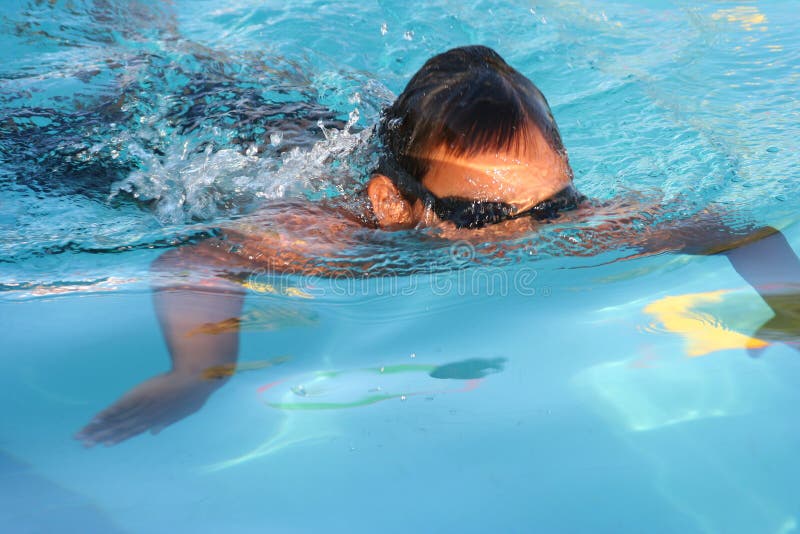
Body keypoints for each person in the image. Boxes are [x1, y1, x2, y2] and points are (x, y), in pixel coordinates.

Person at [76, 45, 800, 446]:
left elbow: (742, 230)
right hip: (198, 130)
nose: (526, 235)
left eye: (557, 204)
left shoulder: (572, 225)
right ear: (397, 206)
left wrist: (791, 311)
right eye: (486, 215)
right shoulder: (340, 235)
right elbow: (196, 259)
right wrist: (198, 371)